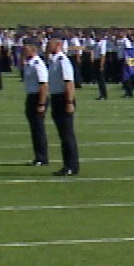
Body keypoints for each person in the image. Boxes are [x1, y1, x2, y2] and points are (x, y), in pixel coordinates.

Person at [46, 36, 77, 175]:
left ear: (58, 44)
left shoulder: (62, 60)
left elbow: (69, 83)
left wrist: (69, 102)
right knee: (62, 135)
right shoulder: (53, 60)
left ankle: (71, 165)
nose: (48, 44)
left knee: (67, 134)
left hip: (63, 98)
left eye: (50, 42)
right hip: (56, 97)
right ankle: (68, 164)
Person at [19, 37, 51, 168]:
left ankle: (42, 157)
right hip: (31, 96)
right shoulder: (29, 63)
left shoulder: (38, 63)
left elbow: (43, 85)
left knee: (38, 129)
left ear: (33, 48)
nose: (23, 48)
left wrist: (41, 103)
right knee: (34, 128)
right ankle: (38, 155)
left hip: (38, 97)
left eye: (26, 46)